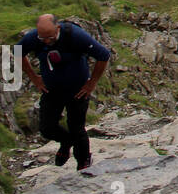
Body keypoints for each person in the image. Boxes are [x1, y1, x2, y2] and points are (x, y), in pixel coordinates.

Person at [17, 14, 111, 172]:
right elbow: (17, 52)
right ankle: (66, 142)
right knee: (47, 127)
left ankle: (83, 163)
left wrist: (91, 83)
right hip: (51, 89)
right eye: (43, 38)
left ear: (58, 28)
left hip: (78, 90)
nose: (46, 41)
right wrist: (34, 78)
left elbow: (103, 55)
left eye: (50, 37)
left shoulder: (76, 35)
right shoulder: (34, 37)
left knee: (76, 127)